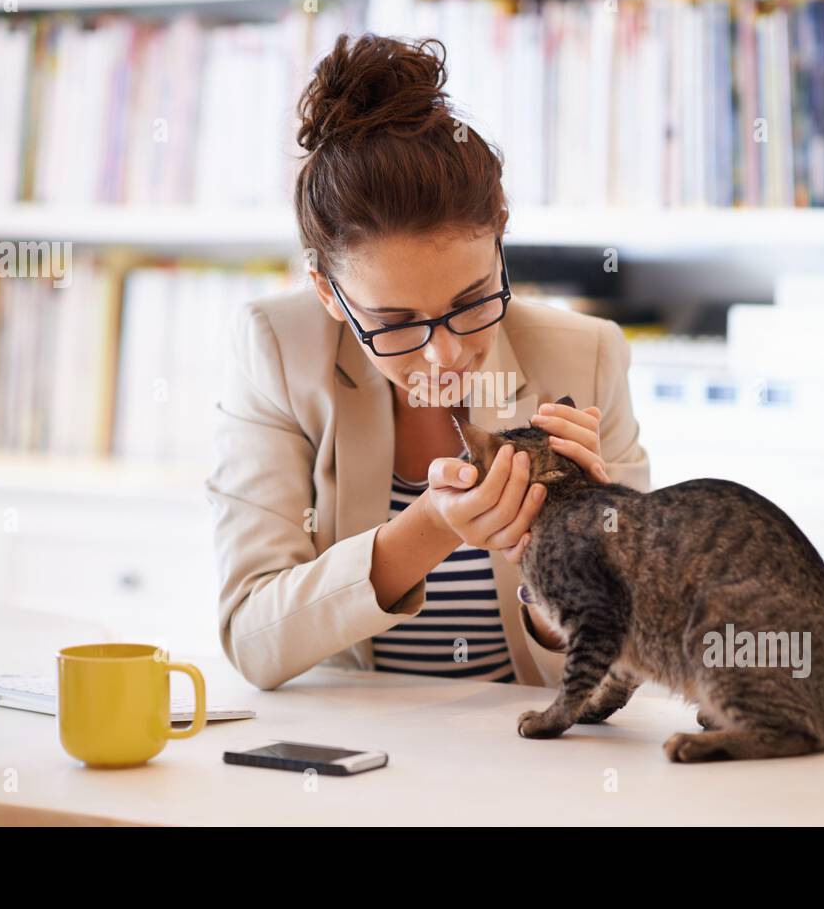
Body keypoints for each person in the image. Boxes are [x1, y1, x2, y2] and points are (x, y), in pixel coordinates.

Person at [207, 33, 649, 690]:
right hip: (352, 764)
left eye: (472, 302)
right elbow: (252, 636)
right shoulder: (278, 349)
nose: (443, 353)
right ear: (328, 292)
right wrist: (430, 526)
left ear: (500, 235)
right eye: (393, 324)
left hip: (530, 765)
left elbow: (627, 669)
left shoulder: (584, 358)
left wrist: (561, 559)